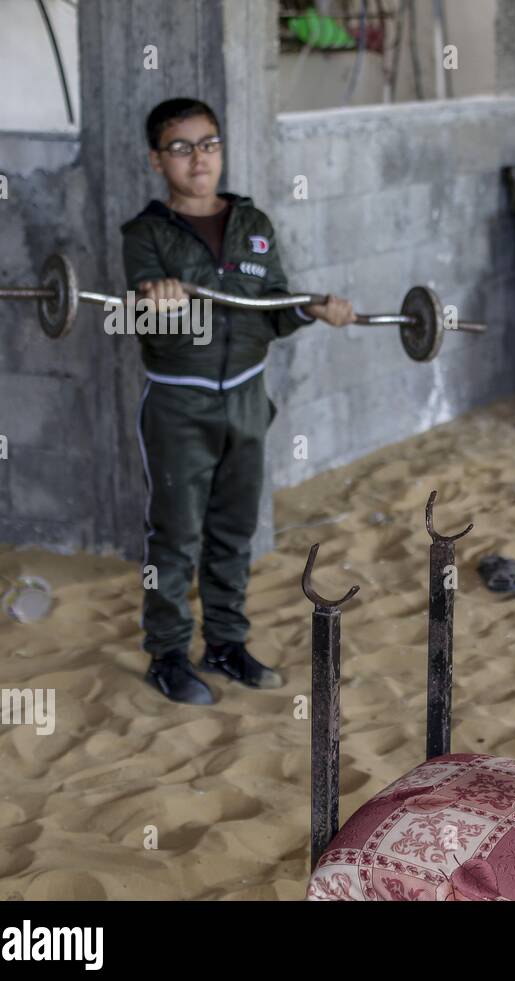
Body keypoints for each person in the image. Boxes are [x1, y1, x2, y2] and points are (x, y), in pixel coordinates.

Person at [122, 98, 354, 704]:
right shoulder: (145, 235)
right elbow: (139, 318)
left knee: (233, 529)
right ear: (156, 159)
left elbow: (272, 311)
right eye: (181, 147)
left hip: (247, 398)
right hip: (180, 404)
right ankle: (167, 654)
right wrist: (155, 299)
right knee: (173, 535)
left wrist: (310, 308)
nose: (198, 159)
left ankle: (225, 643)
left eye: (209, 144)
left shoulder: (255, 224)